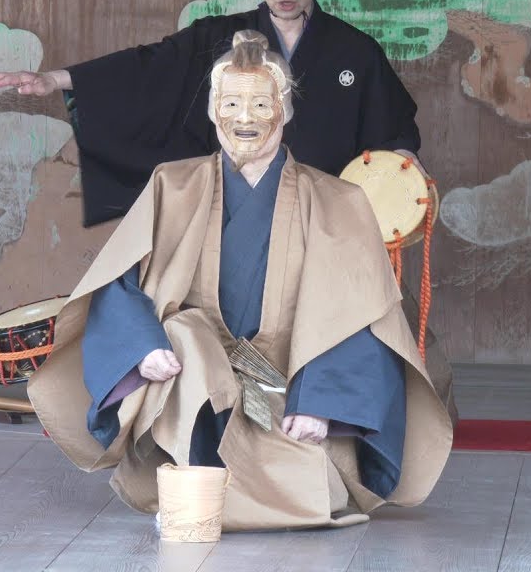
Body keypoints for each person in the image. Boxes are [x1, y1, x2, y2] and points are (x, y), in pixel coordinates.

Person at [27, 30, 452, 530]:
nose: (244, 118)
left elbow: (360, 310)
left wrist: (323, 402)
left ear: (286, 109)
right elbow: (120, 281)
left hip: (289, 394)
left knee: (309, 488)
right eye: (231, 102)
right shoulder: (172, 185)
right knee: (185, 334)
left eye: (259, 103)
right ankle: (196, 478)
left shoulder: (339, 201)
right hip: (192, 389)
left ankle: (225, 489)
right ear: (211, 110)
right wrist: (142, 347)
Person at [0, 0, 419, 227]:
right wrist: (56, 79)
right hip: (233, 218)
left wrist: (403, 163)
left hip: (323, 225)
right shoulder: (218, 38)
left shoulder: (356, 52)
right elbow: (148, 69)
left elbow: (393, 133)